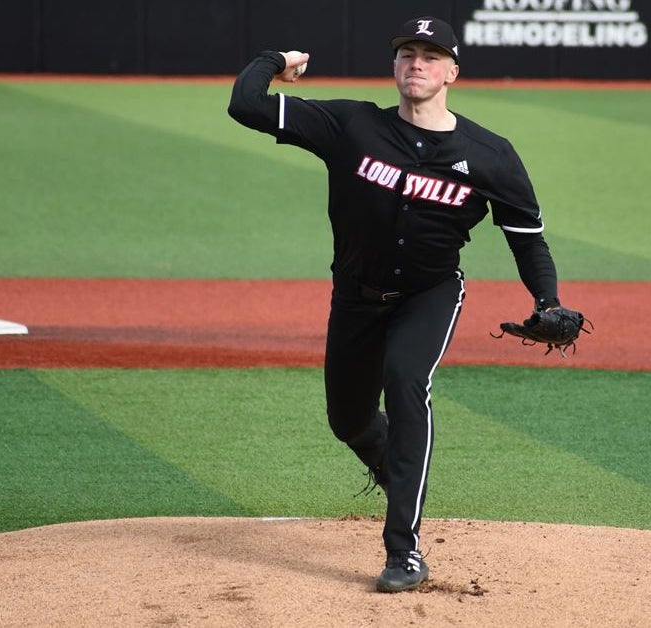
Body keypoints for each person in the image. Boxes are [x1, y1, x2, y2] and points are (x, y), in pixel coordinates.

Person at [228, 15, 574, 593]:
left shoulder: (490, 155)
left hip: (429, 293)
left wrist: (549, 299)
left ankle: (404, 551)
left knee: (406, 382)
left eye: (432, 56)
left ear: (453, 73)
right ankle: (401, 474)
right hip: (356, 296)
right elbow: (246, 106)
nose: (418, 63)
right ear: (394, 66)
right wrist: (274, 60)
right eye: (408, 53)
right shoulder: (351, 125)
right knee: (348, 419)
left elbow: (527, 238)